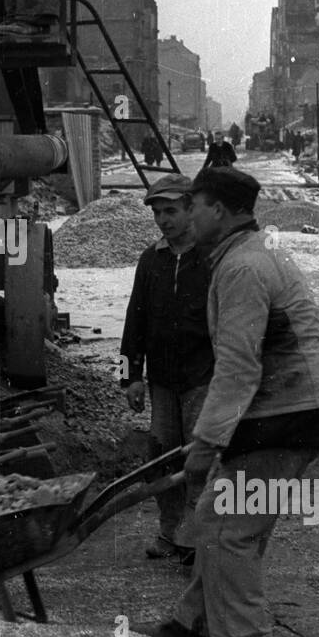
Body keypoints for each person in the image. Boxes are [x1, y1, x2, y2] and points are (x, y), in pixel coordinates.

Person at [148, 166, 319, 637]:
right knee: (223, 519)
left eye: (193, 205)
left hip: (289, 412)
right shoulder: (245, 255)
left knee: (227, 526)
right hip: (293, 408)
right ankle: (191, 623)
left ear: (219, 210)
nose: (186, 215)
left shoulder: (242, 268)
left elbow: (239, 367)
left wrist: (207, 439)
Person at [119, 175, 214, 561]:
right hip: (161, 381)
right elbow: (134, 321)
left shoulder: (211, 258)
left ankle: (196, 538)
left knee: (199, 460)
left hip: (202, 379)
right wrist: (129, 377)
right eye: (157, 212)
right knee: (160, 458)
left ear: (192, 209)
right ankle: (168, 531)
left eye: (171, 211)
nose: (163, 219)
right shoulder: (151, 259)